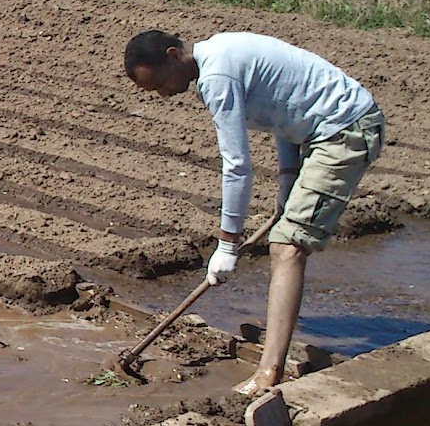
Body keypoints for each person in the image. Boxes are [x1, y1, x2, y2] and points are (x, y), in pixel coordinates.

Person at [123, 29, 384, 394]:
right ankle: (271, 365)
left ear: (172, 55)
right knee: (286, 239)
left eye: (162, 84)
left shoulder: (216, 77)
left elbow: (236, 166)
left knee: (288, 247)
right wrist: (287, 182)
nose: (165, 95)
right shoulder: (221, 53)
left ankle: (268, 374)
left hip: (344, 130)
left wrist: (228, 244)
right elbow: (283, 110)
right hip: (321, 131)